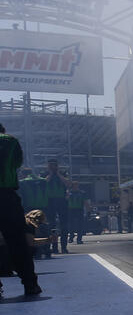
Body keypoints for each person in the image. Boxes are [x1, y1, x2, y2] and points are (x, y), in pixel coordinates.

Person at [0, 123, 42, 298]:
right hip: (6, 197)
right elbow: (17, 163)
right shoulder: (11, 141)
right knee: (18, 242)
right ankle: (30, 284)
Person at [42, 158, 70, 253]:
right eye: (50, 165)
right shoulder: (44, 174)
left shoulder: (63, 173)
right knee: (51, 225)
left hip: (61, 200)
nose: (53, 167)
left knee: (64, 225)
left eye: (54, 165)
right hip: (50, 201)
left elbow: (67, 183)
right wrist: (50, 173)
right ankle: (54, 247)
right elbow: (43, 183)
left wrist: (58, 173)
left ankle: (64, 246)